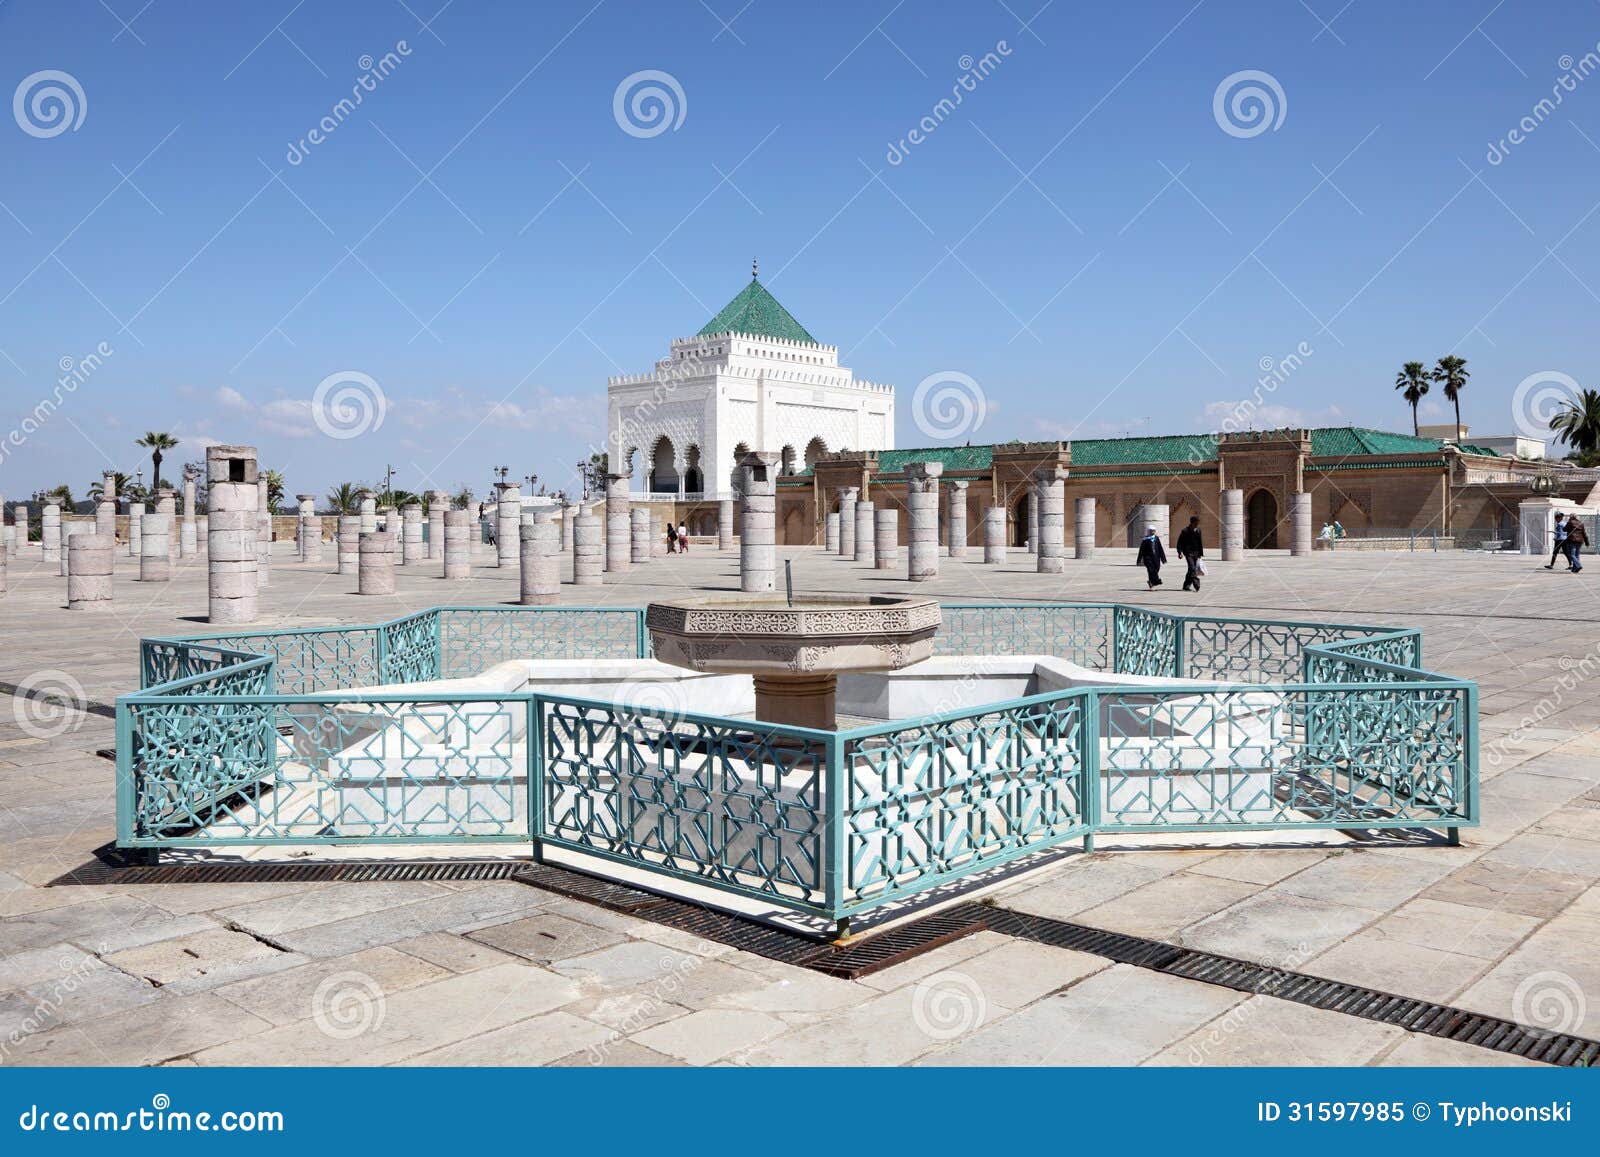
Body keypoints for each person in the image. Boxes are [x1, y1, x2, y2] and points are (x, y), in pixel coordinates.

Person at [1176, 515, 1204, 592]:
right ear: (1192, 522)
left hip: (1196, 553)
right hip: (1188, 553)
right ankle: (1196, 584)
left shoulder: (1198, 530)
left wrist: (1200, 554)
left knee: (1190, 570)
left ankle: (1186, 586)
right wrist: (1179, 552)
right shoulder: (1185, 531)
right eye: (1196, 522)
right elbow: (1180, 542)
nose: (1198, 524)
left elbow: (1200, 543)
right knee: (1192, 568)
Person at [1136, 524, 1167, 589]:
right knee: (1151, 570)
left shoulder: (1156, 538)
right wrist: (1139, 560)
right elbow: (1141, 550)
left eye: (1153, 531)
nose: (1152, 532)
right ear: (1148, 531)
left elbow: (1160, 548)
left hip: (1156, 558)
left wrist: (1163, 559)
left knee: (1156, 569)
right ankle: (1155, 581)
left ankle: (1151, 581)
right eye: (1151, 531)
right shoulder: (1145, 539)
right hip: (1148, 558)